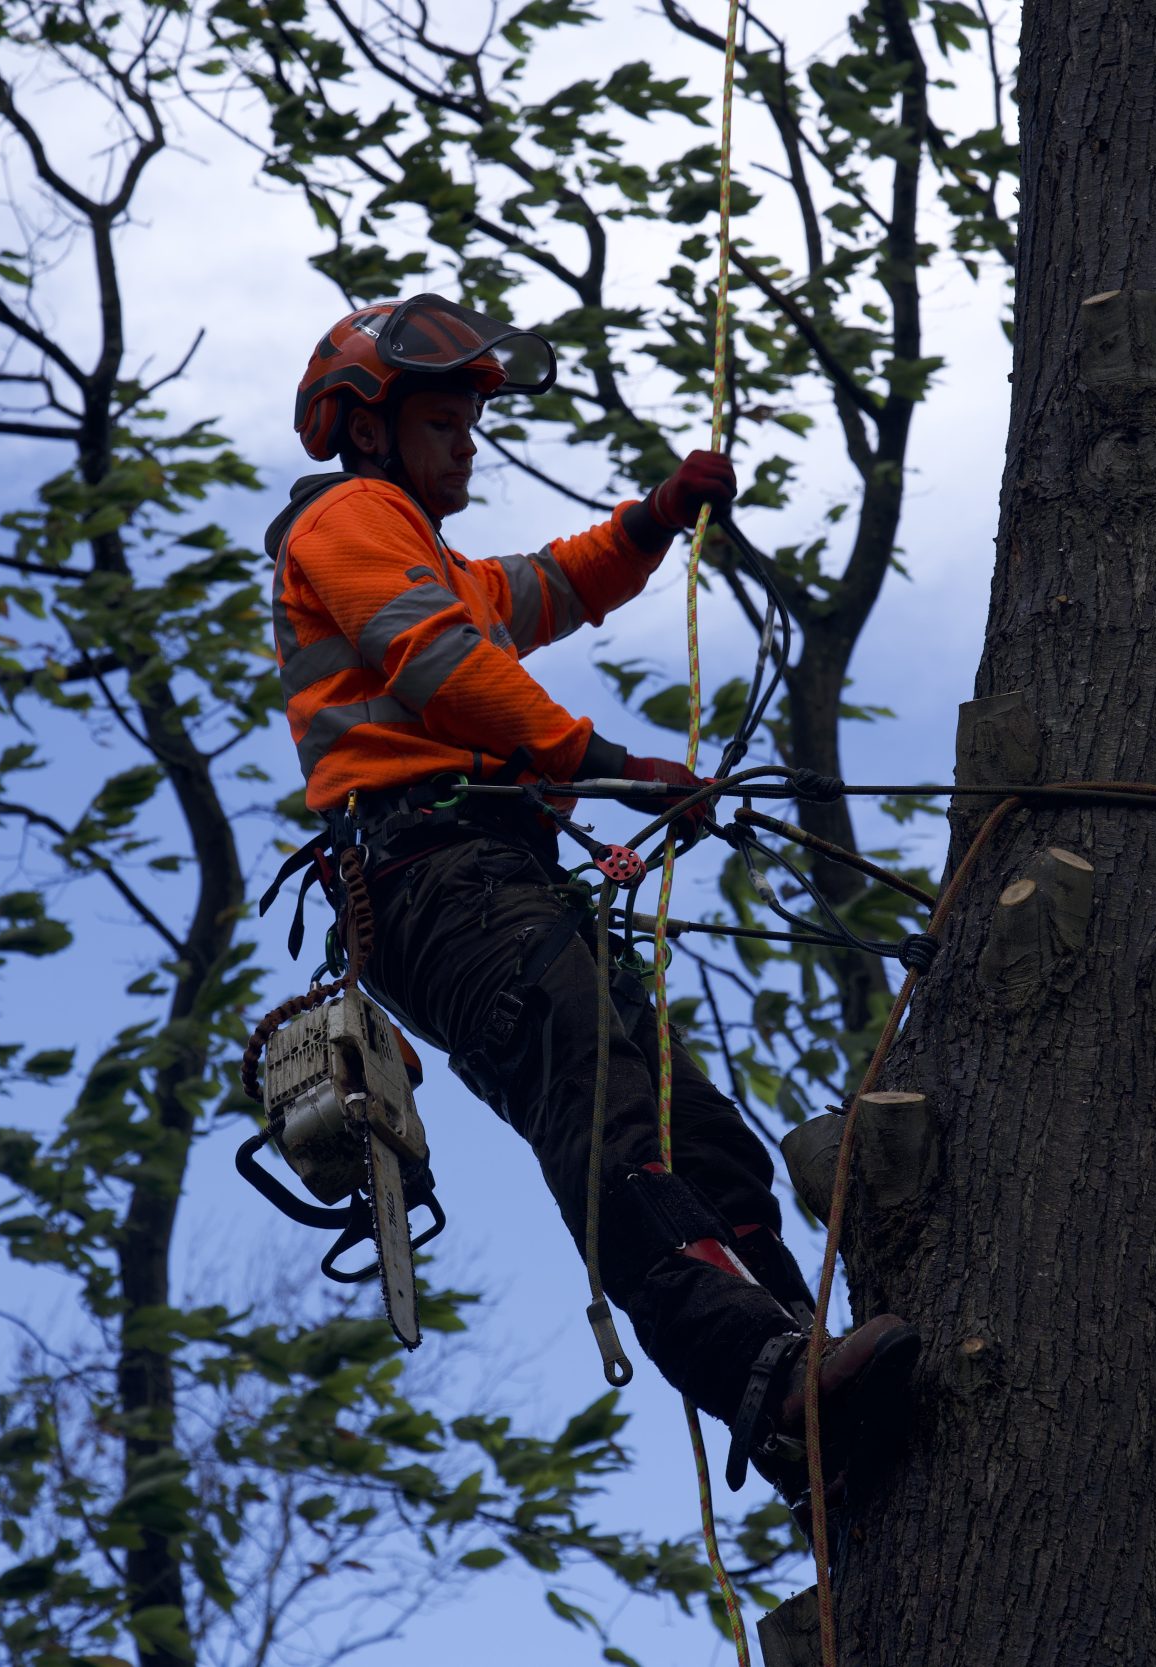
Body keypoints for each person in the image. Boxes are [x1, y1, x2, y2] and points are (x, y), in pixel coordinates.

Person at [267, 294, 916, 1514]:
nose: (467, 445)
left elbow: (548, 587)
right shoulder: (347, 521)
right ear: (370, 426)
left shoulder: (430, 553)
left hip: (495, 878)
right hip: (432, 877)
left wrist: (655, 519)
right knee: (610, 1117)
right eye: (445, 422)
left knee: (697, 1132)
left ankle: (797, 1383)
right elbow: (440, 662)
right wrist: (594, 758)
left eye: (472, 422)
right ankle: (764, 1373)